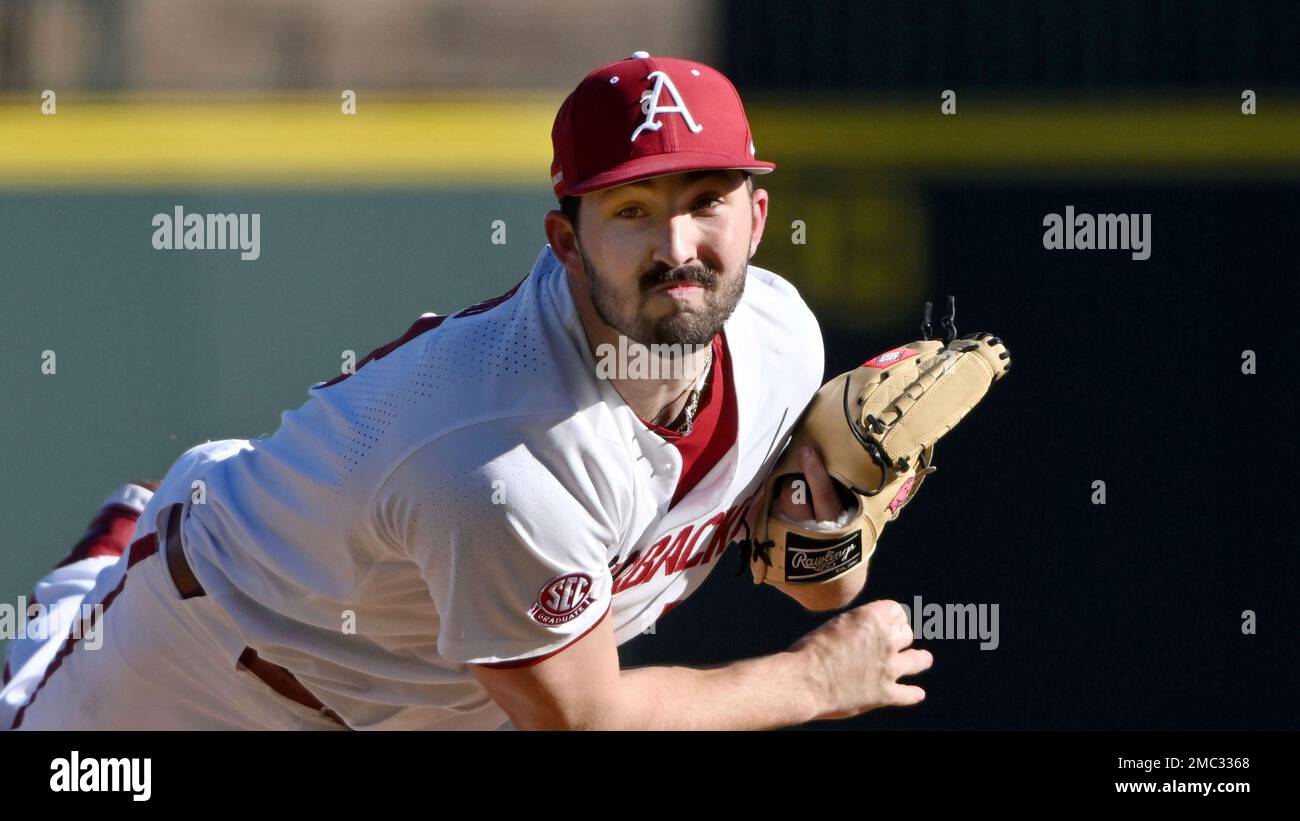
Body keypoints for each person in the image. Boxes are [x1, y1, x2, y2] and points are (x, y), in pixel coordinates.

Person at [1, 51, 930, 731]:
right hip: (216, 675)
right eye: (634, 211)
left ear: (758, 216)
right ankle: (93, 586)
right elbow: (587, 720)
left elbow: (814, 574)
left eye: (705, 200)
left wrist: (829, 520)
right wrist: (815, 681)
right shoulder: (503, 455)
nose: (679, 248)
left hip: (441, 694)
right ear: (567, 242)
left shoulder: (780, 340)